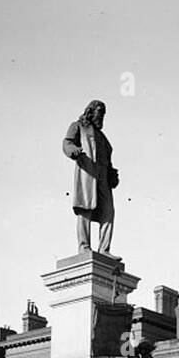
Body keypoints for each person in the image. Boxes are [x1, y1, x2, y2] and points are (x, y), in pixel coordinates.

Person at [62, 99, 120, 253]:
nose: (101, 117)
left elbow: (108, 159)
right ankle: (84, 246)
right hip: (88, 174)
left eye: (103, 114)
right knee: (85, 208)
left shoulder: (103, 137)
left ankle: (104, 249)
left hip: (103, 178)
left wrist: (112, 173)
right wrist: (73, 150)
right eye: (100, 113)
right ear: (91, 111)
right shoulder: (78, 126)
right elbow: (67, 142)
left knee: (108, 211)